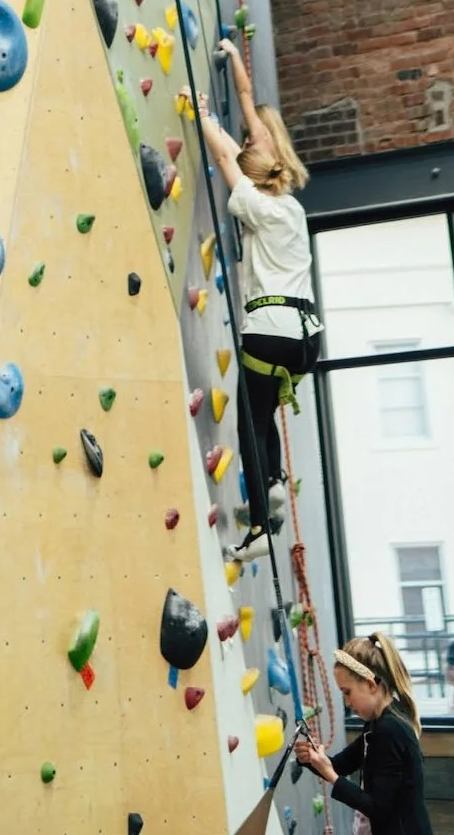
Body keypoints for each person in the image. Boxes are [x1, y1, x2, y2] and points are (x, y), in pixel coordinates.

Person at [203, 35, 320, 544]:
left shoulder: (256, 204)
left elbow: (228, 156)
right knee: (262, 406)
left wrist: (201, 112)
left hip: (269, 327)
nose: (247, 142)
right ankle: (272, 483)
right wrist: (234, 63)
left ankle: (258, 521)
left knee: (250, 422)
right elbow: (252, 120)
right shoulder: (290, 206)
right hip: (307, 338)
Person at [294, 636, 434, 835]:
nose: (347, 702)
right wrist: (312, 759)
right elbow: (341, 765)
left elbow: (377, 807)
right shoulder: (376, 724)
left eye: (347, 692)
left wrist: (331, 775)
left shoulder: (390, 730)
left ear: (371, 685)